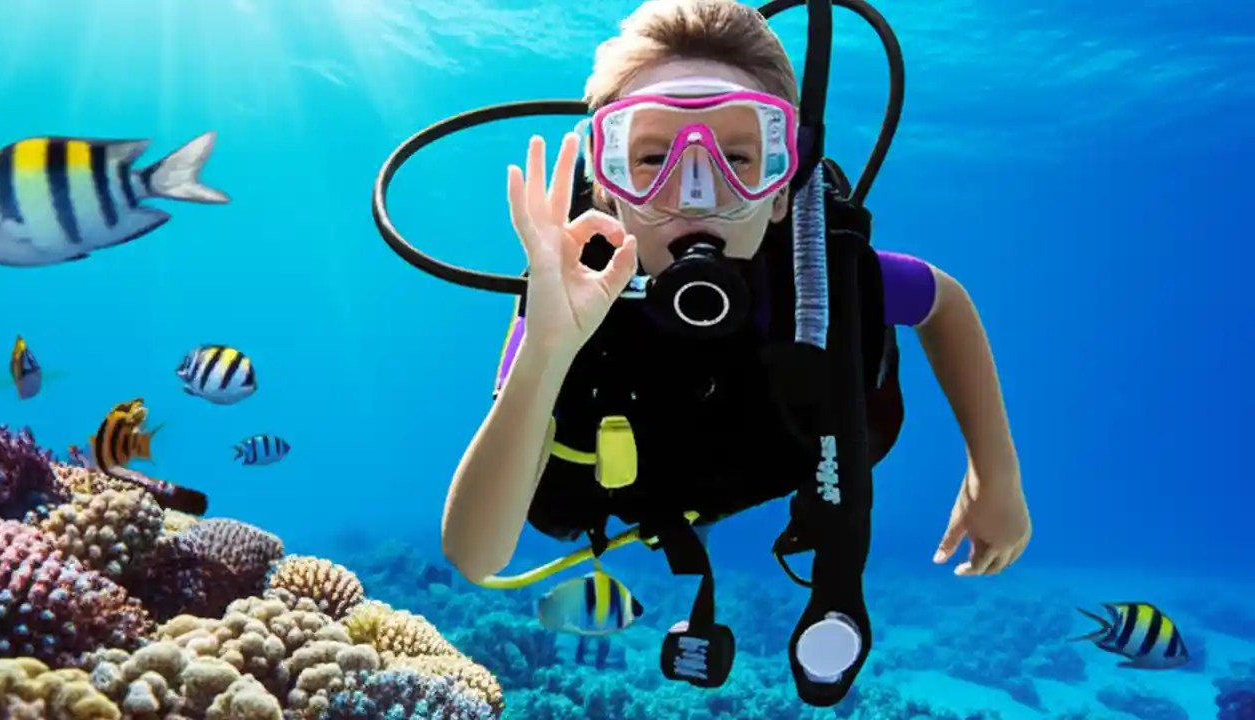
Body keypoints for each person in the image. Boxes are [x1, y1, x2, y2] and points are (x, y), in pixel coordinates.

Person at [425, 0, 1031, 706]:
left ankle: (703, 520)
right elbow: (475, 554)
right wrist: (547, 350)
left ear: (781, 189)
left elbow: (943, 300)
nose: (696, 194)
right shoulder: (568, 295)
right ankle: (694, 526)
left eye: (738, 159)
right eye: (652, 159)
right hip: (633, 476)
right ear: (610, 186)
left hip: (768, 452)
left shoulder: (823, 276)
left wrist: (996, 473)